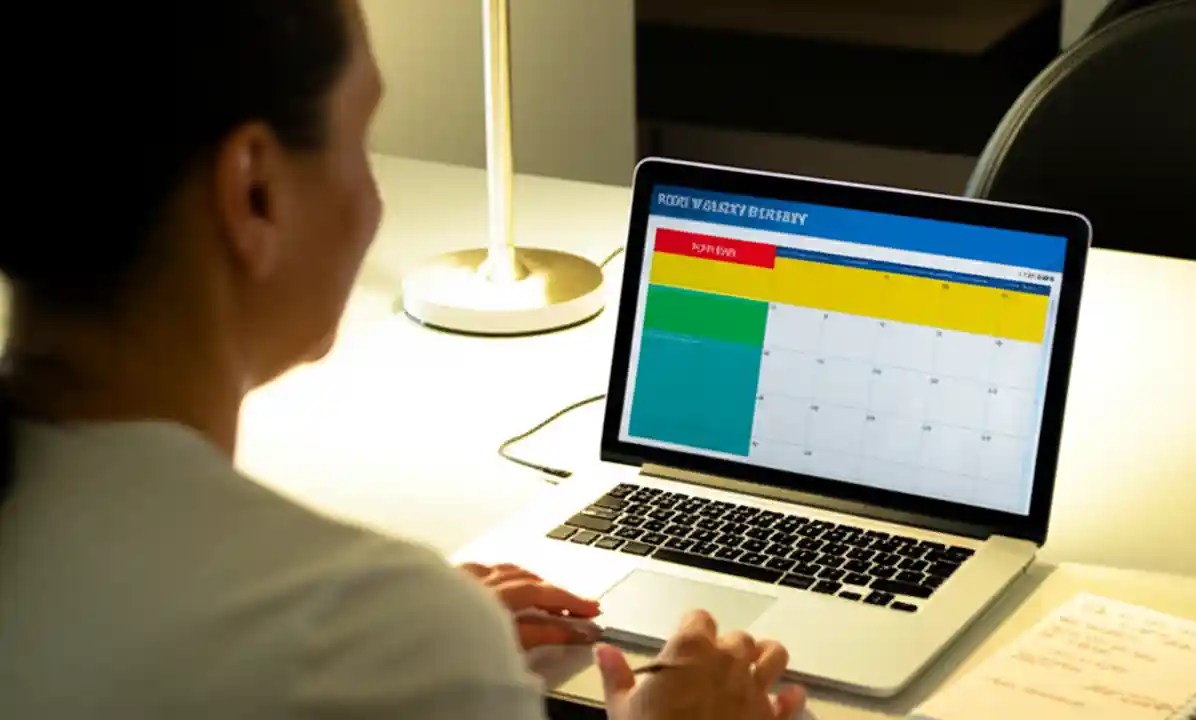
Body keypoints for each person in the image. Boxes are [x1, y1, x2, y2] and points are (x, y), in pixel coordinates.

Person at [0, 3, 806, 719]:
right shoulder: (370, 641)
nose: (375, 200)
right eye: (364, 138)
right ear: (255, 194)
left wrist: (413, 632)